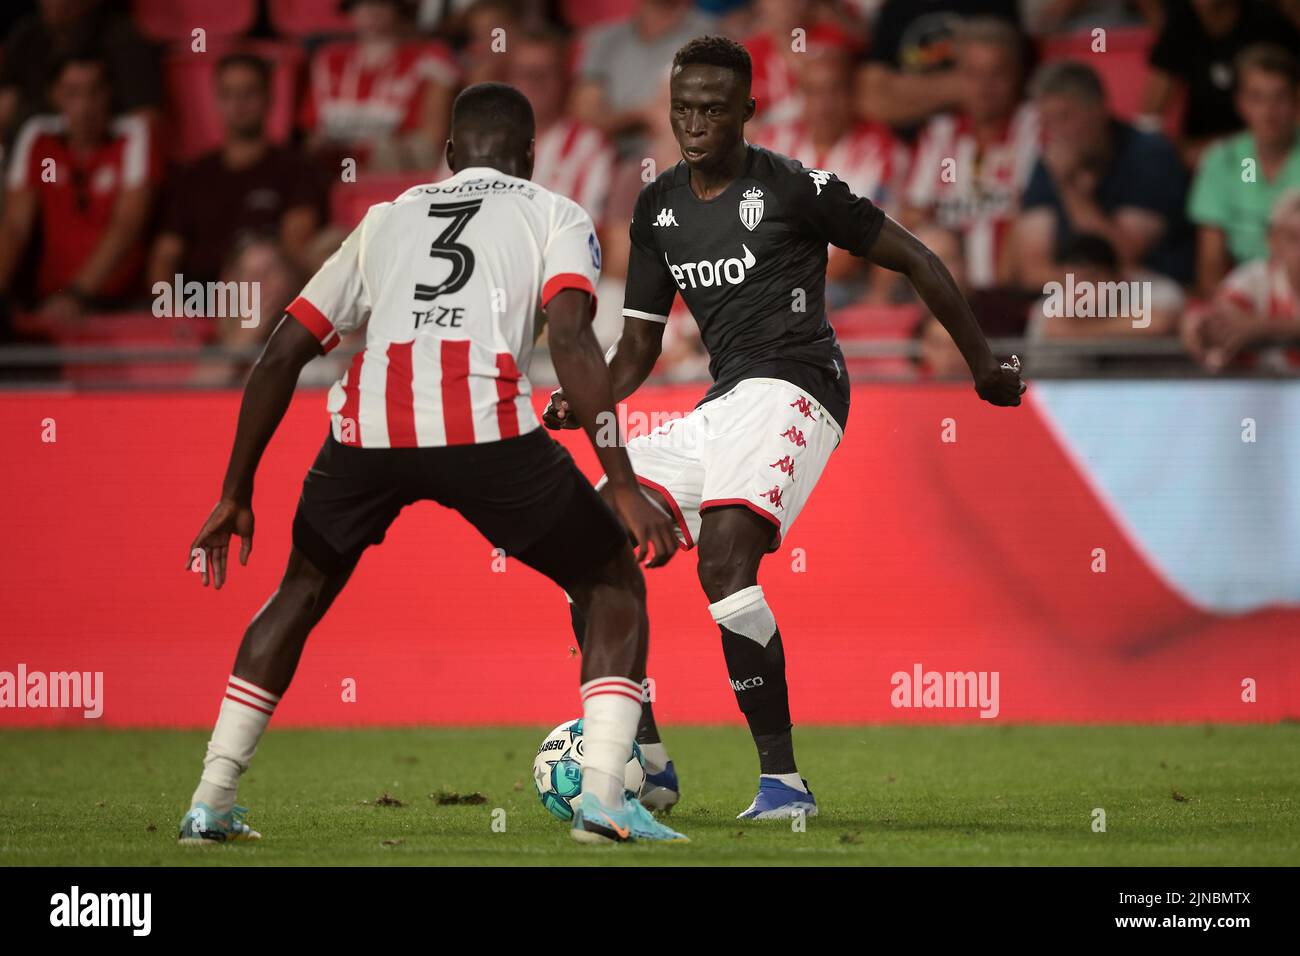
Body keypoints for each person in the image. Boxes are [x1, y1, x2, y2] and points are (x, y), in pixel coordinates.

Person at [178, 82, 688, 847]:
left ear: (448, 156)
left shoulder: (383, 218)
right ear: (530, 156)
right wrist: (618, 482)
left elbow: (282, 352)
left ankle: (210, 803)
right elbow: (575, 342)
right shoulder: (555, 211)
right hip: (484, 427)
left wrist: (234, 491)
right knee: (610, 578)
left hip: (367, 431)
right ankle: (606, 802)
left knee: (300, 589)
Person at [545, 36, 1024, 820]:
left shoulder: (796, 188)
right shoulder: (657, 209)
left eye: (713, 107)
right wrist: (584, 394)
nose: (695, 122)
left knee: (724, 562)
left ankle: (782, 785)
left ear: (747, 111)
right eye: (683, 106)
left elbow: (917, 258)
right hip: (728, 398)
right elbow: (636, 346)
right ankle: (650, 761)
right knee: (588, 530)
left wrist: (981, 366)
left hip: (802, 384)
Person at [0, 50, 159, 321]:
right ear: (55, 96)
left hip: (117, 303)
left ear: (109, 93)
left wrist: (77, 294)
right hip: (46, 300)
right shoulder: (38, 137)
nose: (85, 106)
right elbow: (15, 226)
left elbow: (126, 225)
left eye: (94, 92)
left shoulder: (133, 135)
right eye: (72, 93)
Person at [1010, 60, 1194, 293]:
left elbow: (1120, 256)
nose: (1056, 132)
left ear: (1098, 109)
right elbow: (1033, 271)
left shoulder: (1150, 155)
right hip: (1073, 300)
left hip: (1149, 294)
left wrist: (1069, 188)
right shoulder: (1047, 165)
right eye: (1047, 121)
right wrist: (1085, 286)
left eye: (1065, 117)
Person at [148, 53, 327, 288]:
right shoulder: (192, 175)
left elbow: (294, 251)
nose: (238, 104)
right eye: (228, 94)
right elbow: (165, 254)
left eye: (249, 93)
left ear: (269, 98)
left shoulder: (296, 169)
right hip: (197, 301)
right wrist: (171, 309)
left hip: (263, 297)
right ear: (216, 100)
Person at [902, 16, 1038, 291]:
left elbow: (1039, 215)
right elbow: (910, 214)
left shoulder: (1036, 130)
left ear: (1017, 76)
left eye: (997, 74)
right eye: (974, 74)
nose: (984, 87)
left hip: (1014, 292)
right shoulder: (937, 135)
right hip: (948, 297)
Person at [1188, 43, 1300, 298]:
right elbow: (1210, 264)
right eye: (1257, 98)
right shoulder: (1221, 160)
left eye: (1280, 98)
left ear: (1297, 100)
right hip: (1245, 292)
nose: (1269, 112)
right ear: (1240, 103)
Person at [1183, 188, 1300, 373]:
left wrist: (1259, 327)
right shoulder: (1255, 278)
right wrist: (1201, 323)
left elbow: (1249, 324)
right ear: (1274, 242)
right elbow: (1220, 317)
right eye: (1294, 238)